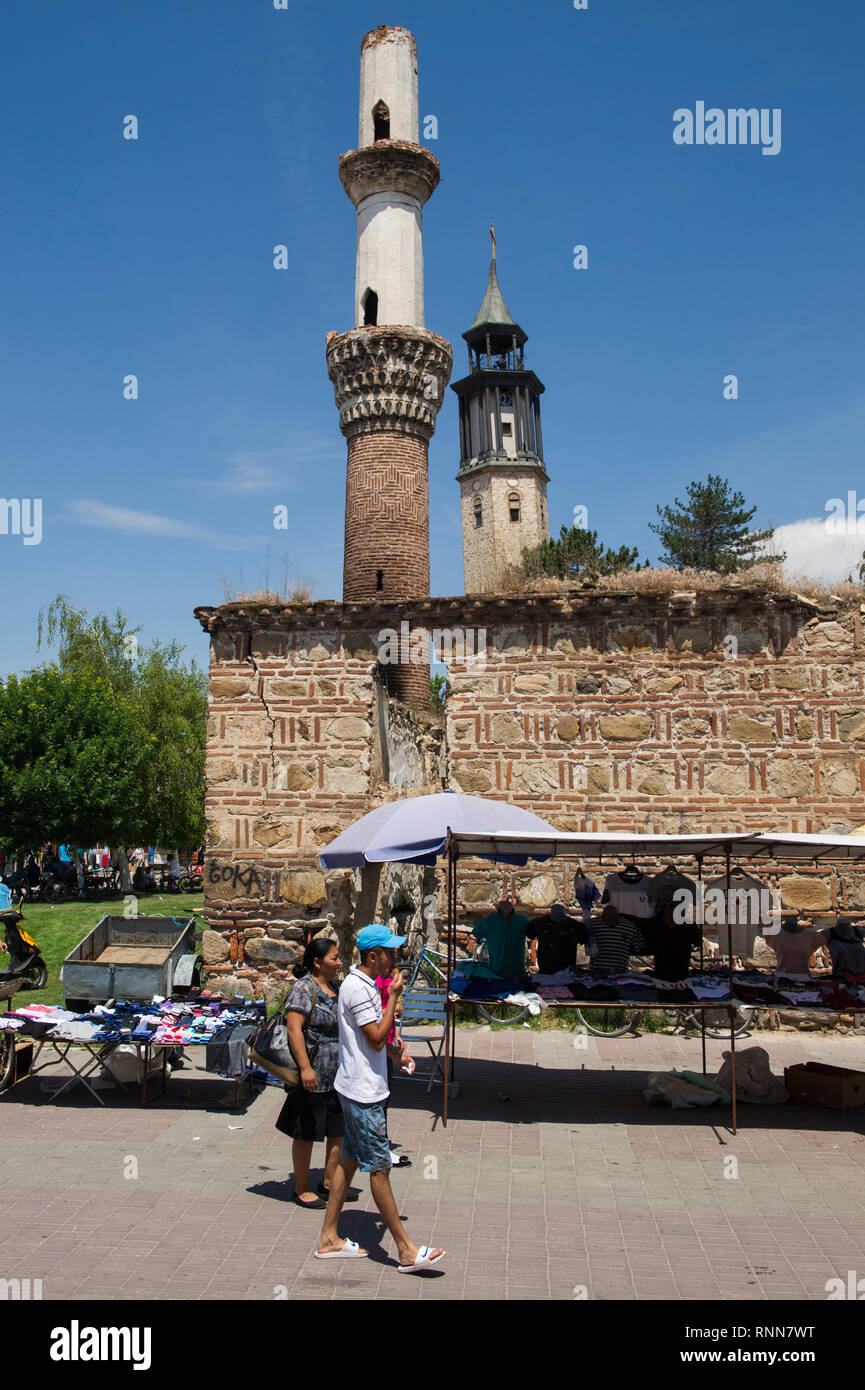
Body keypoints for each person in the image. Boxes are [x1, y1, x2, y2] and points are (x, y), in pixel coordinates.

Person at [316, 925, 445, 1273]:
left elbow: (375, 1039)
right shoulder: (360, 989)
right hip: (362, 1093)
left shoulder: (367, 986)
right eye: (391, 953)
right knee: (380, 1168)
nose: (396, 959)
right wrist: (392, 1001)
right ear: (373, 956)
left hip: (360, 1086)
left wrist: (394, 1055)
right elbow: (372, 1037)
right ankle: (405, 1249)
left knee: (350, 1159)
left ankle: (329, 1237)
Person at [276, 939, 350, 1209]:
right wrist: (306, 1068)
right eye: (334, 958)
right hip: (314, 1071)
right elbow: (294, 1029)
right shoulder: (304, 988)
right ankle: (301, 1187)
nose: (339, 963)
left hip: (339, 1074)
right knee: (306, 1132)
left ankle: (328, 1181)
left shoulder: (336, 988)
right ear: (317, 962)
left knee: (337, 1130)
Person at [375, 968, 413, 1168]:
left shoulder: (389, 975)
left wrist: (396, 1034)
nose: (394, 957)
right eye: (390, 952)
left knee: (385, 1097)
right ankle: (380, 1149)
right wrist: (393, 1005)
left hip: (388, 1040)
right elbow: (368, 1014)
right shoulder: (376, 978)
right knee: (380, 1099)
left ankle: (381, 1146)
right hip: (378, 1045)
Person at [466, 899, 531, 978]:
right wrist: (472, 942)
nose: (506, 905)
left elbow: (533, 935)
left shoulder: (523, 921)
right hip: (496, 971)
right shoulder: (488, 922)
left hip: (518, 971)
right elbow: (474, 935)